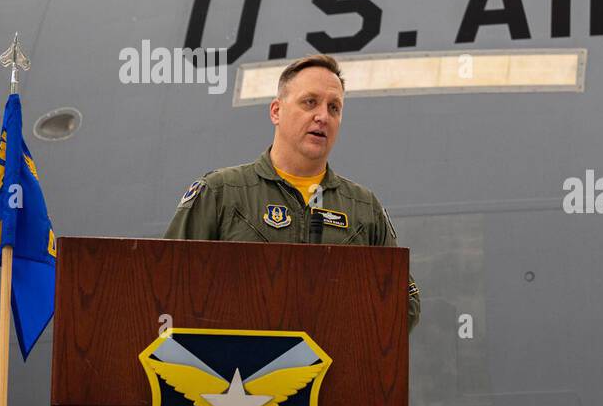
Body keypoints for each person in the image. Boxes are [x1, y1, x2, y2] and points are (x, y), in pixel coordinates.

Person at [164, 53, 420, 331]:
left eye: (334, 108)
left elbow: (404, 304)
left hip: (335, 372)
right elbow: (167, 285)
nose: (322, 116)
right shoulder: (221, 193)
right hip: (237, 372)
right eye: (310, 102)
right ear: (276, 111)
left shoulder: (363, 209)